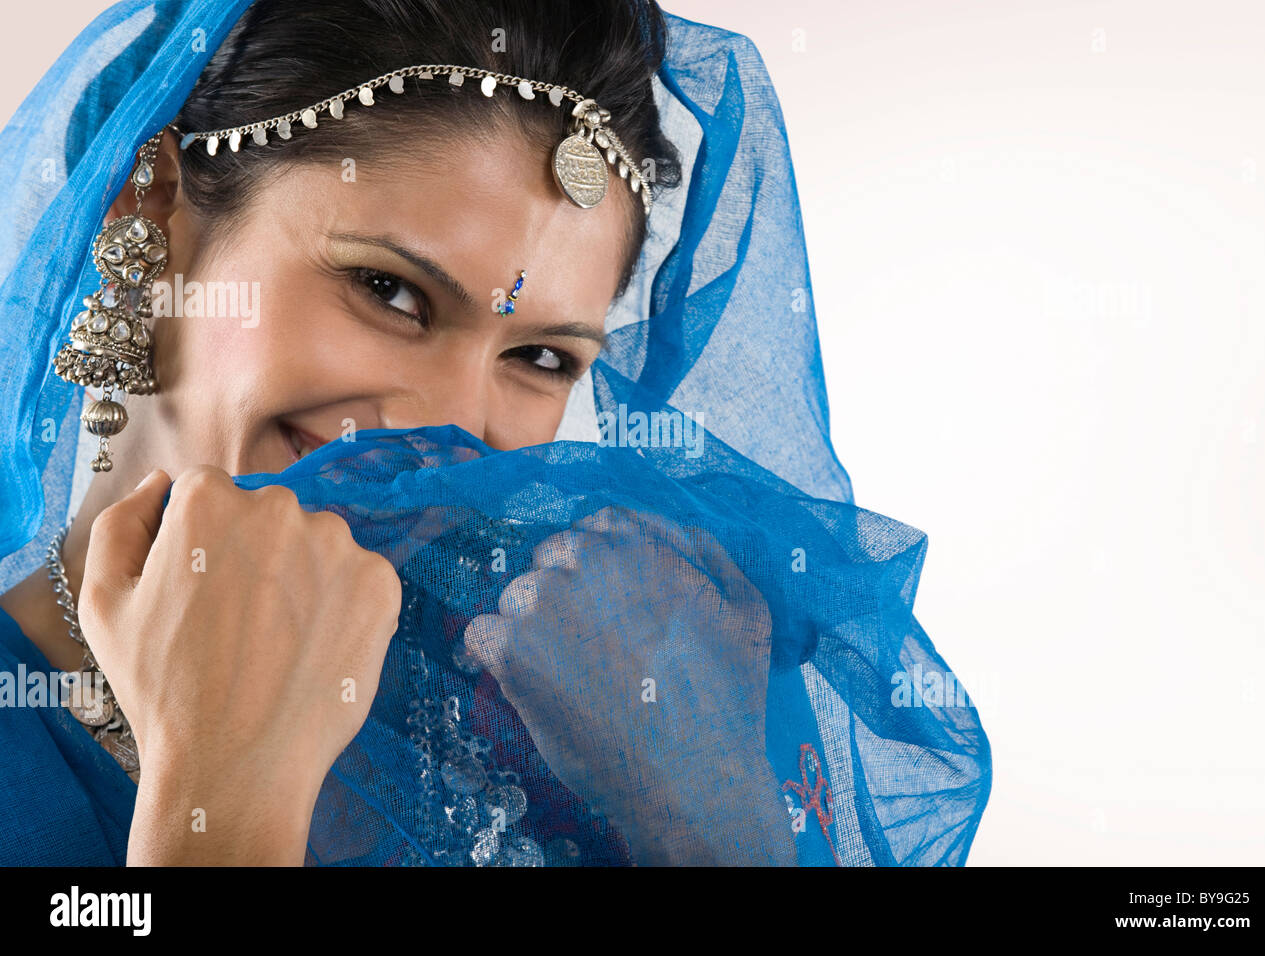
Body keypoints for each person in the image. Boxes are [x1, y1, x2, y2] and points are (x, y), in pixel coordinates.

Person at [0, 0, 993, 866]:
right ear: (154, 202)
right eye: (389, 291)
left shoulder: (579, 704)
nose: (447, 425)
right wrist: (224, 788)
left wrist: (709, 813)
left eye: (542, 358)